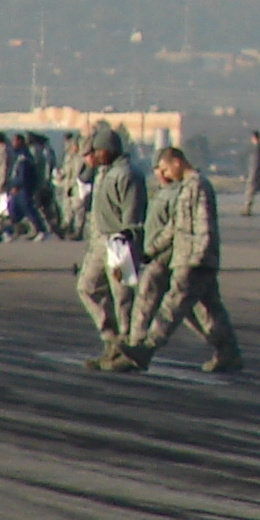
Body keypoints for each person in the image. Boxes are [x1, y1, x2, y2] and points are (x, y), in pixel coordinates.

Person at [107, 148, 241, 375]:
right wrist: (150, 250)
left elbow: (203, 223)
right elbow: (174, 227)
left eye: (167, 169)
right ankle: (228, 352)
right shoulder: (186, 188)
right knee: (208, 311)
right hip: (188, 257)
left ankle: (146, 350)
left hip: (193, 259)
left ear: (177, 162)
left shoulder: (198, 185)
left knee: (172, 306)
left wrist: (198, 257)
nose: (166, 174)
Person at [73, 126, 148, 371]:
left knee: (123, 298)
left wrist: (127, 243)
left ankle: (125, 349)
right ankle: (111, 340)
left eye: (96, 151)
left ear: (107, 150)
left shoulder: (127, 174)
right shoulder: (104, 173)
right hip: (100, 242)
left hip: (120, 243)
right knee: (87, 288)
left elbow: (132, 213)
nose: (91, 156)